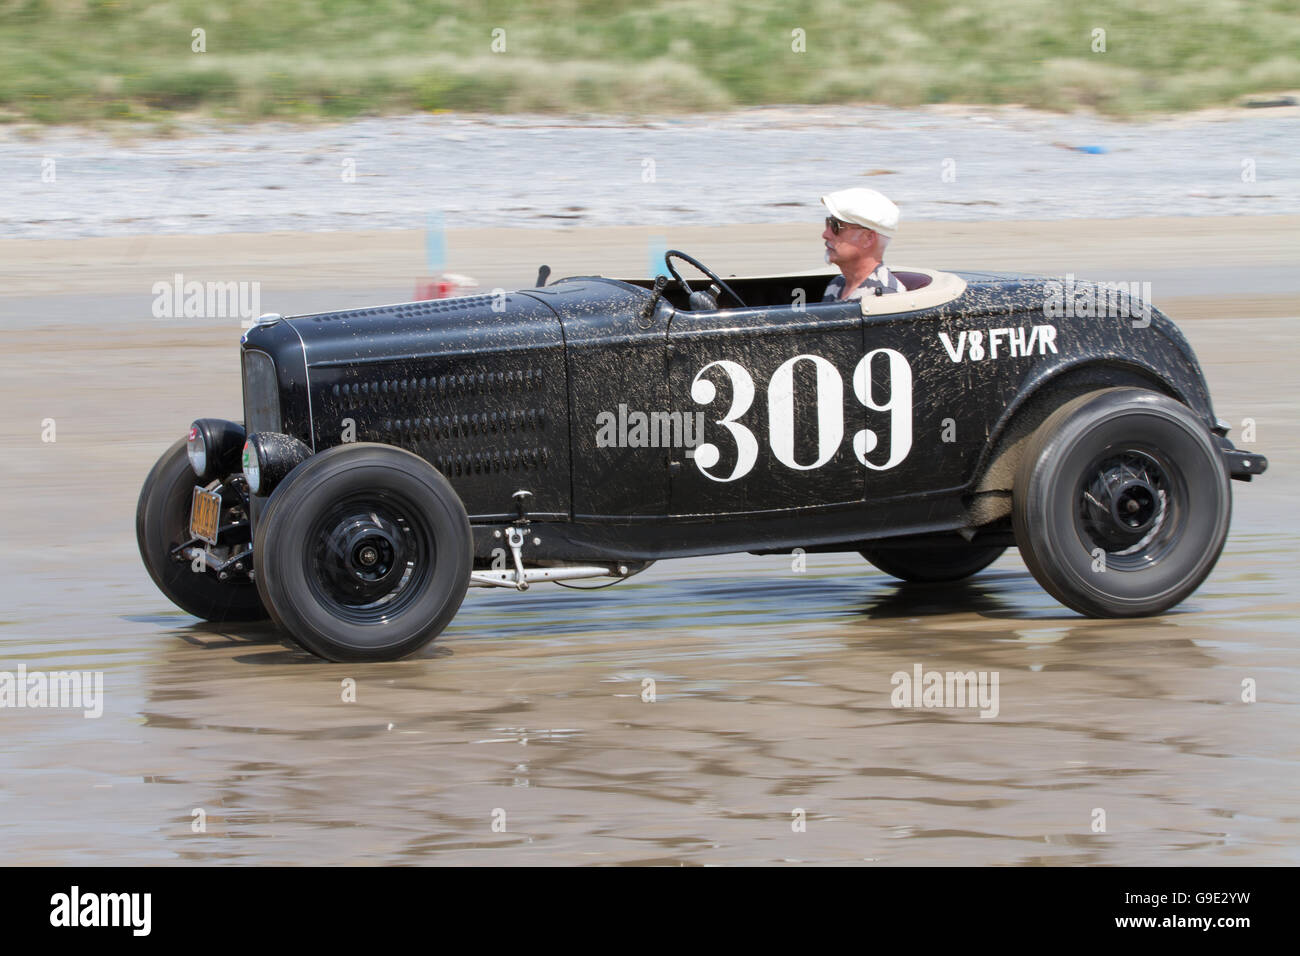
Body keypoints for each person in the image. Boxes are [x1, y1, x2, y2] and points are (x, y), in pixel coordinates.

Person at [820, 188, 903, 300]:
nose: (825, 234)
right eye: (828, 223)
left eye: (836, 226)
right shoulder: (837, 285)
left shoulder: (885, 296)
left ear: (868, 238)